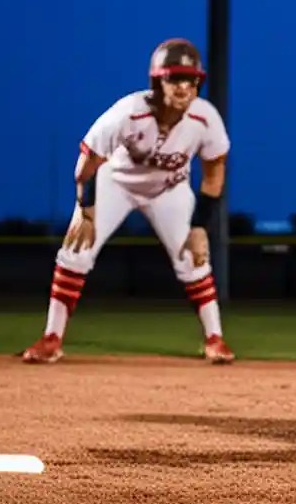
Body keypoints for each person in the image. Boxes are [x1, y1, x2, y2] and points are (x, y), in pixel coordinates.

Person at [20, 38, 236, 365]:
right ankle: (52, 338)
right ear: (157, 81)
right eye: (174, 78)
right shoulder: (128, 112)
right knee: (75, 251)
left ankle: (214, 339)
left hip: (170, 189)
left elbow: (213, 175)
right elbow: (87, 164)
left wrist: (200, 226)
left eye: (190, 80)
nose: (183, 87)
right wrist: (86, 210)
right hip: (115, 183)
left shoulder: (205, 119)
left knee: (193, 259)